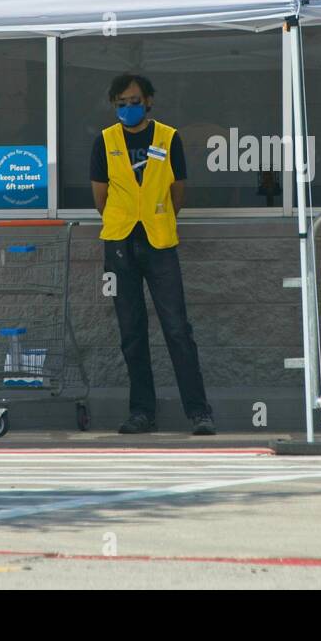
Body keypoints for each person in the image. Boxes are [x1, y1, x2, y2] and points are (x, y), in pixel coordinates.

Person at [90, 74, 215, 435]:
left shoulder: (168, 137)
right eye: (121, 103)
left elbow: (178, 191)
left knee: (177, 328)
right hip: (119, 244)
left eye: (134, 101)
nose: (128, 108)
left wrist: (157, 218)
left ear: (148, 101)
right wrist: (126, 219)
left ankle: (199, 412)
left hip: (159, 242)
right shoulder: (105, 141)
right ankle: (142, 412)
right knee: (131, 331)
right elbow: (100, 197)